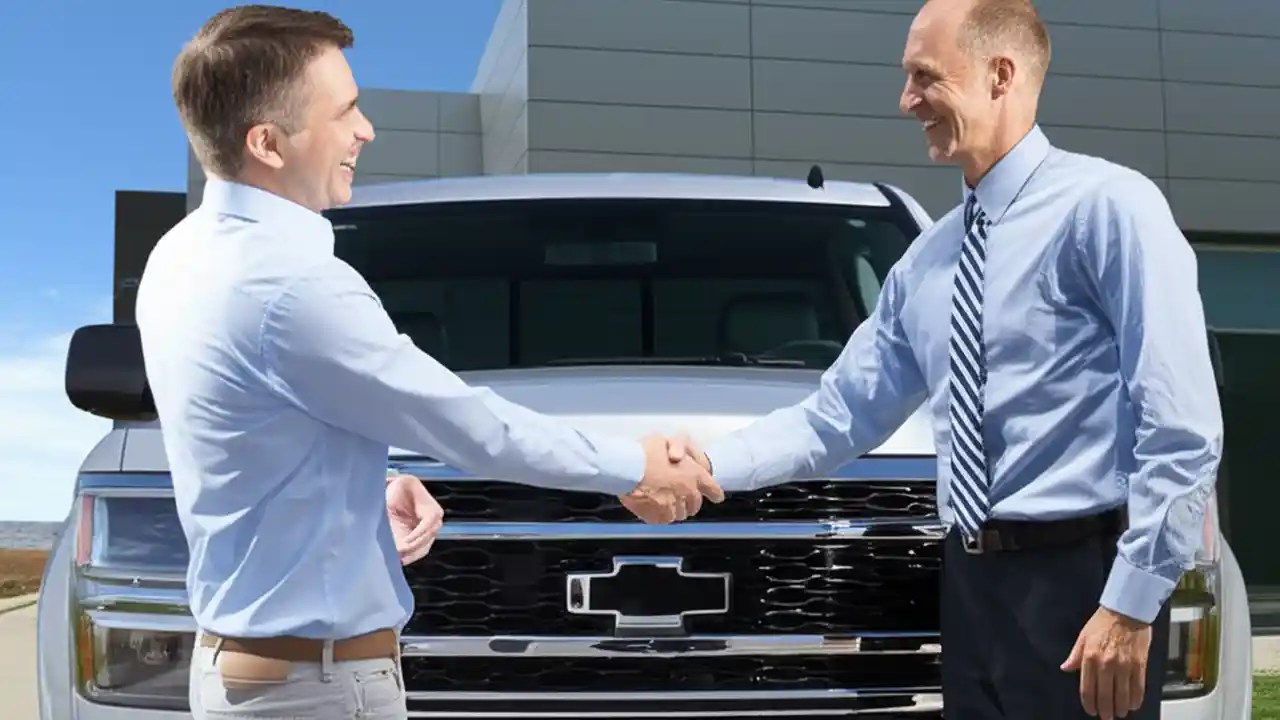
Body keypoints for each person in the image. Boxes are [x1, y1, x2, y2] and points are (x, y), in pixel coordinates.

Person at [631, 1, 1223, 718]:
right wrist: (707, 466)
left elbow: (1182, 428)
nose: (906, 100)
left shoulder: (1110, 210)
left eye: (924, 77)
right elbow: (838, 415)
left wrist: (1131, 604)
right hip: (969, 591)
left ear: (1000, 75)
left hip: (1085, 583)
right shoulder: (927, 263)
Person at [136, 6, 722, 719]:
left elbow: (246, 439)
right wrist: (634, 467)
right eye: (344, 112)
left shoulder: (179, 257)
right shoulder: (291, 285)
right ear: (268, 142)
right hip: (316, 691)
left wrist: (357, 489)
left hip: (242, 676)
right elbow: (465, 423)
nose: (365, 130)